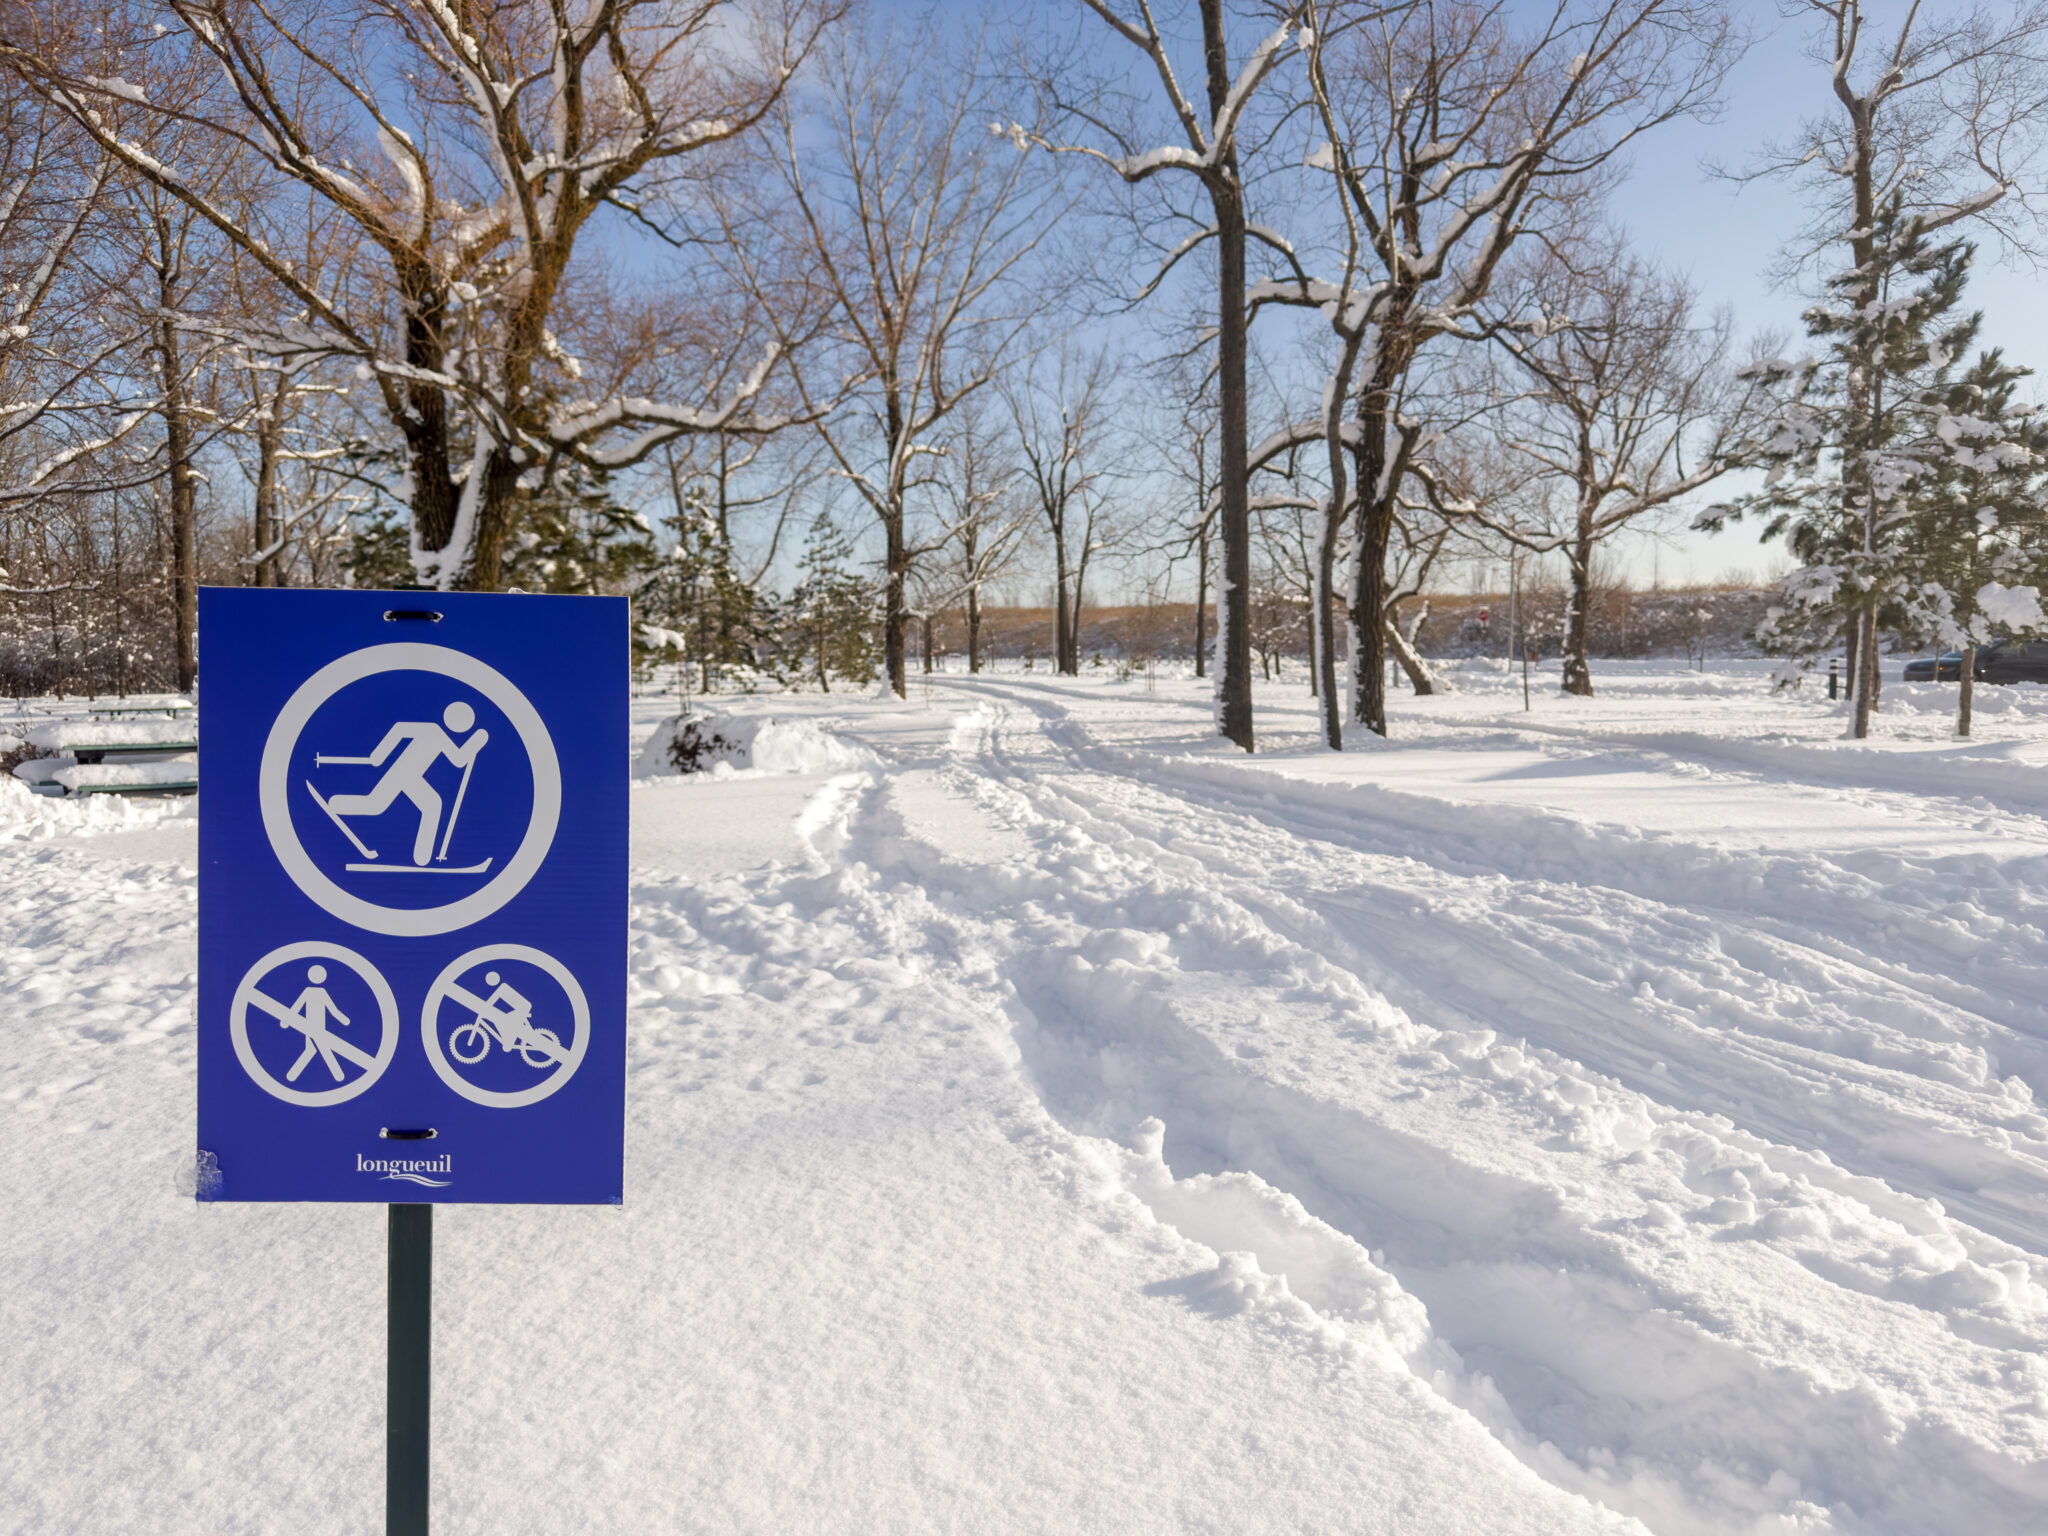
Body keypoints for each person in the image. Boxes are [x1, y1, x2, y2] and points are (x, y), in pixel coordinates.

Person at [319, 702, 488, 865]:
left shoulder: (441, 736)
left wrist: (476, 742)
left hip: (412, 777)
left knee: (425, 804)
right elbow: (400, 728)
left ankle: (422, 857)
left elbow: (458, 760)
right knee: (377, 805)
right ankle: (334, 804)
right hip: (402, 772)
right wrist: (379, 755)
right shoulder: (432, 729)